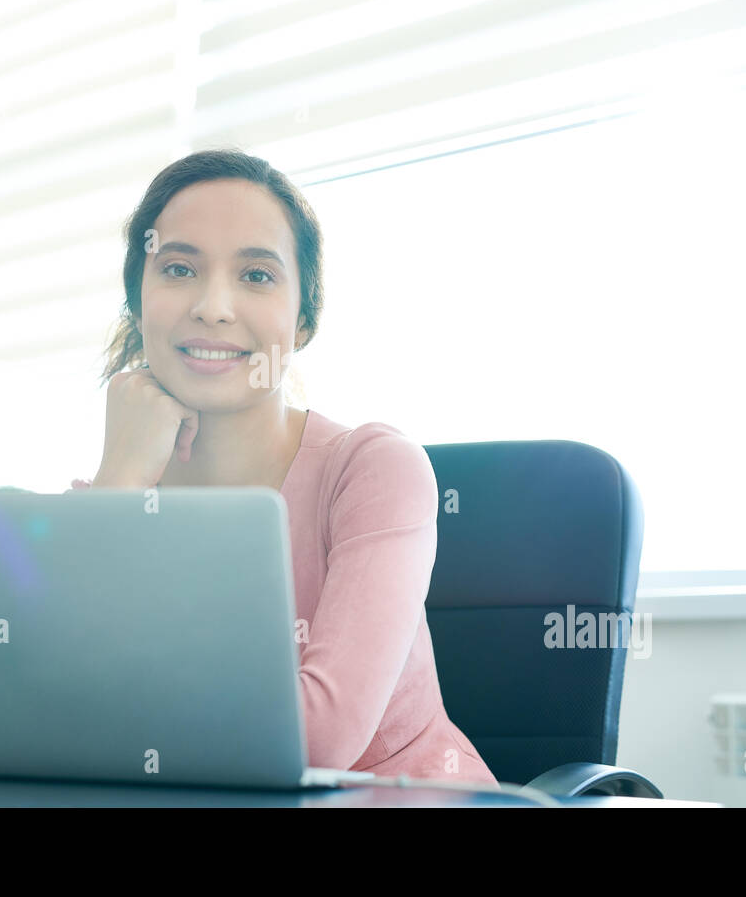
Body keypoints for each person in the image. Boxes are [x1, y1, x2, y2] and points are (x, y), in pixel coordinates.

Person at [73, 147, 497, 785]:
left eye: (257, 276)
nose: (214, 306)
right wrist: (121, 483)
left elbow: (318, 738)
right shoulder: (112, 492)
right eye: (179, 268)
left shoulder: (374, 470)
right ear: (139, 301)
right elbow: (45, 705)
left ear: (302, 320)